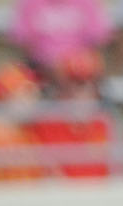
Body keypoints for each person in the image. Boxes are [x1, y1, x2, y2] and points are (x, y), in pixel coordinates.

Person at [29, 48, 113, 179]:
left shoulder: (105, 123)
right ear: (61, 88)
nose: (82, 92)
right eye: (76, 83)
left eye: (90, 83)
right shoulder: (46, 126)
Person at [11, 0, 114, 77]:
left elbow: (98, 42)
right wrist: (51, 64)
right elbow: (25, 43)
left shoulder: (87, 3)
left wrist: (72, 65)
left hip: (79, 71)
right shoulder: (30, 4)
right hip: (42, 68)